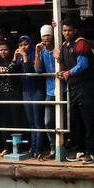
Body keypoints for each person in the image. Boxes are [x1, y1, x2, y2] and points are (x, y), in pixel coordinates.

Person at [57, 14, 94, 163]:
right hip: (73, 87)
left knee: (88, 119)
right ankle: (79, 148)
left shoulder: (81, 43)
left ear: (75, 30)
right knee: (75, 119)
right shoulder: (64, 46)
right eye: (64, 30)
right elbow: (63, 65)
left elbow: (83, 65)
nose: (66, 33)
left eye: (69, 30)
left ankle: (91, 151)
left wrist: (68, 73)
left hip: (85, 85)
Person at [33, 24, 59, 160]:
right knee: (48, 122)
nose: (46, 38)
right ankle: (54, 147)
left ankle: (66, 147)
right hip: (50, 91)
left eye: (48, 35)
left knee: (65, 121)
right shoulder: (42, 52)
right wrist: (37, 52)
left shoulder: (59, 48)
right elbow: (37, 70)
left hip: (64, 89)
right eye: (44, 35)